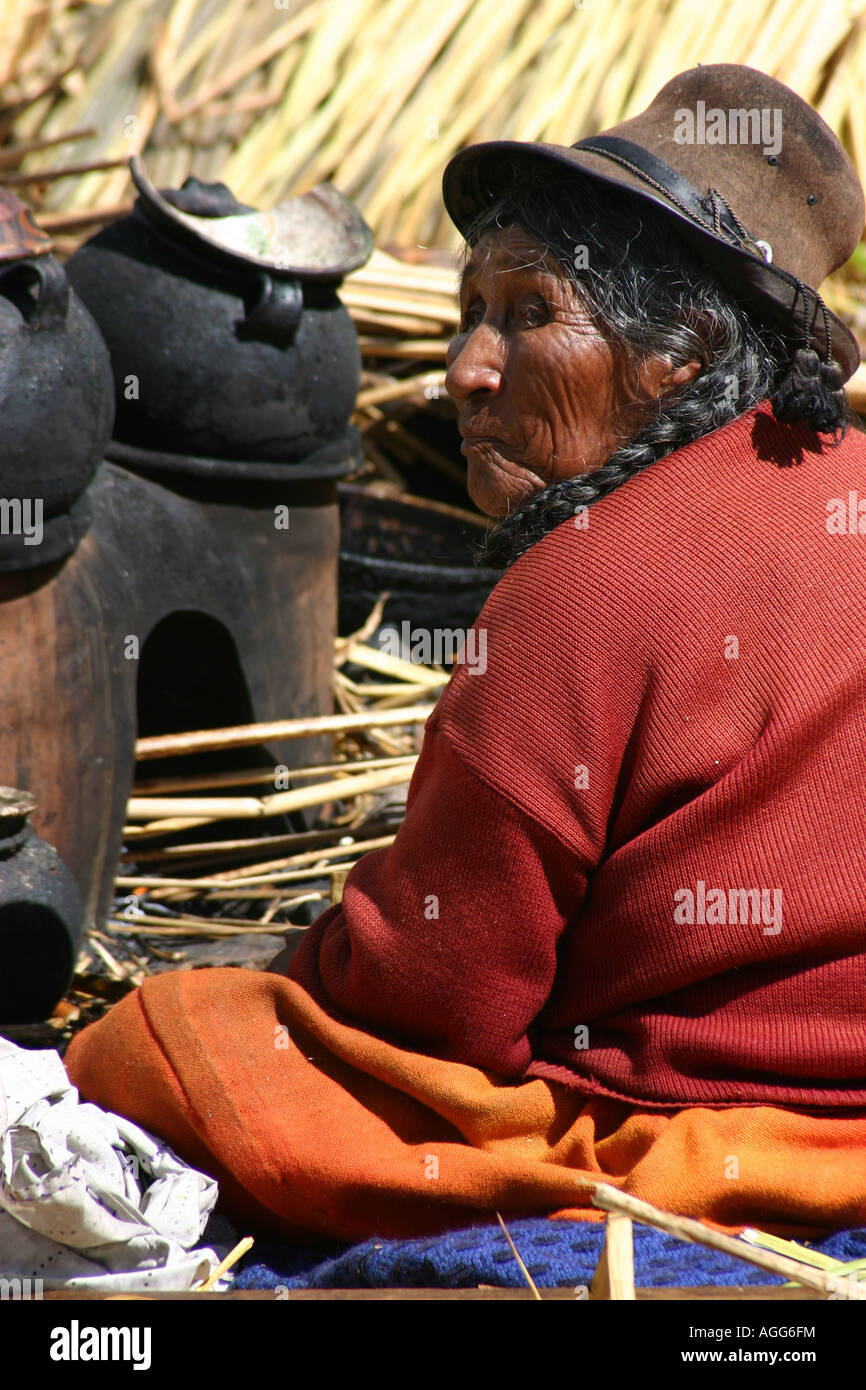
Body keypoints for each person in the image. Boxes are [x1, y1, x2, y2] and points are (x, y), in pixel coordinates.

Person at [66, 64, 866, 1243]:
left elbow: (436, 999)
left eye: (528, 315)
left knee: (162, 1046)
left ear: (677, 354)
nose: (464, 373)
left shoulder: (585, 582)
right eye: (465, 317)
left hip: (690, 1124)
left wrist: (307, 957)